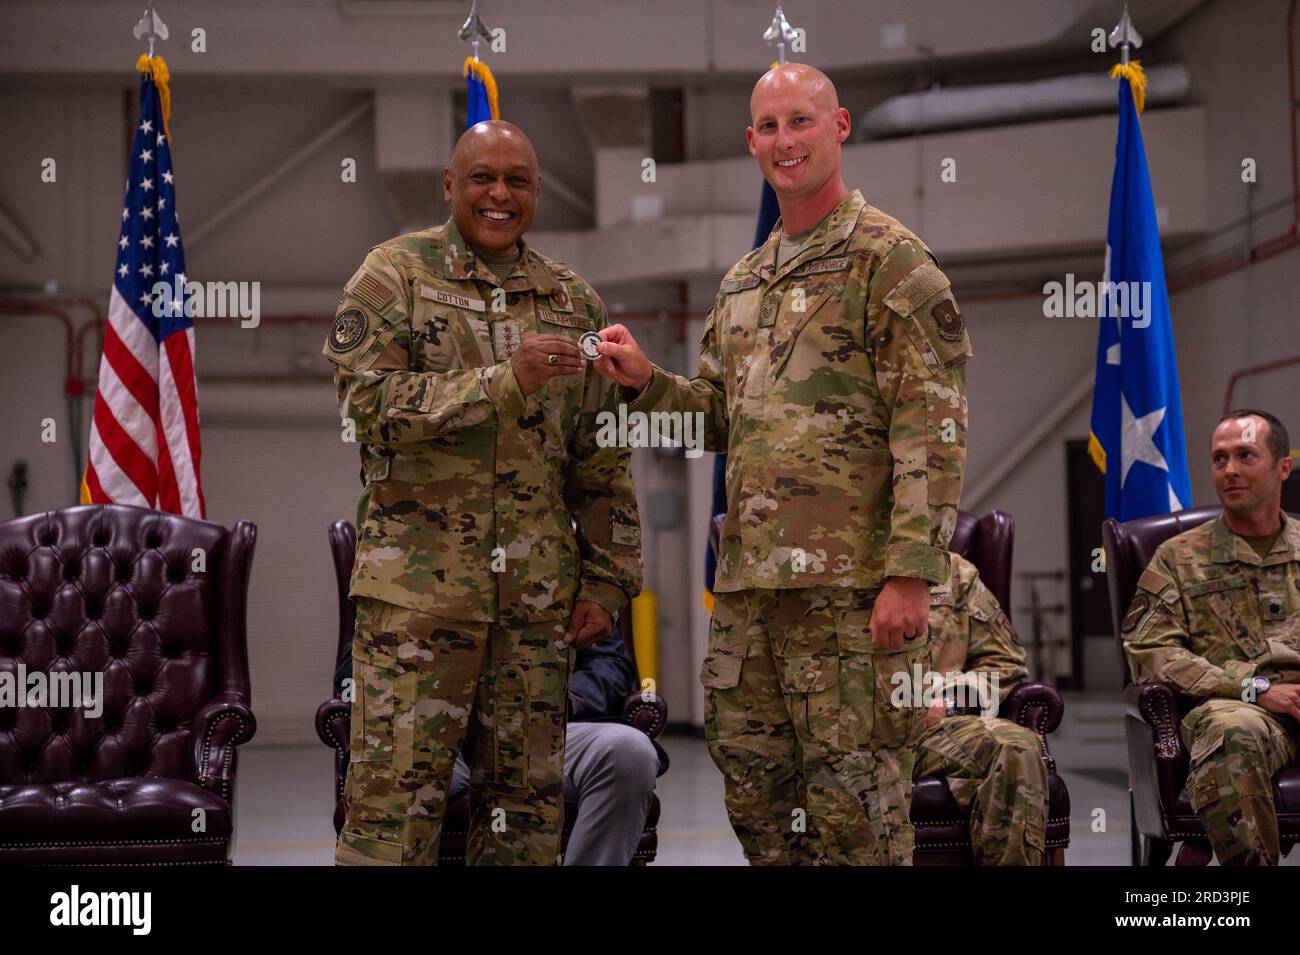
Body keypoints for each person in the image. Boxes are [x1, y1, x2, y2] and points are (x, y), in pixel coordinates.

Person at [593, 63, 971, 864]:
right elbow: (721, 415)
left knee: (858, 816)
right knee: (762, 807)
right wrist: (647, 383)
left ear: (839, 127)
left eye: (800, 121)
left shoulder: (891, 262)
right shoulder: (743, 282)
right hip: (749, 601)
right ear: (751, 143)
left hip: (849, 599)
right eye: (768, 127)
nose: (784, 141)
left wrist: (911, 572)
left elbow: (930, 430)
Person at [323, 120, 642, 866]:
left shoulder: (573, 303)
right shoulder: (392, 274)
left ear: (535, 192)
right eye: (482, 178)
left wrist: (609, 577)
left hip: (535, 612)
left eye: (518, 181)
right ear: (449, 185)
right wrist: (504, 381)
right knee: (392, 816)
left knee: (523, 821)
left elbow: (600, 455)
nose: (500, 194)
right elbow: (365, 407)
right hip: (418, 606)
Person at [1124, 409, 1298, 865]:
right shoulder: (1179, 558)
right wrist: (1253, 688)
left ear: (1283, 467)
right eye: (1220, 459)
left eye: (1246, 456)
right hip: (1238, 707)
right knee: (1230, 731)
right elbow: (1150, 652)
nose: (1230, 470)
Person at [333, 632, 667, 866]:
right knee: (395, 763)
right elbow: (356, 666)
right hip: (441, 733)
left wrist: (562, 702)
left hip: (542, 726)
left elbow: (608, 662)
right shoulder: (420, 547)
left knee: (629, 751)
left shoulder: (555, 548)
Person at [913, 552, 1048, 865]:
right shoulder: (819, 562)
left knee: (1015, 747)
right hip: (843, 731)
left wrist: (949, 701)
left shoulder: (954, 573)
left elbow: (1004, 661)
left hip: (929, 730)